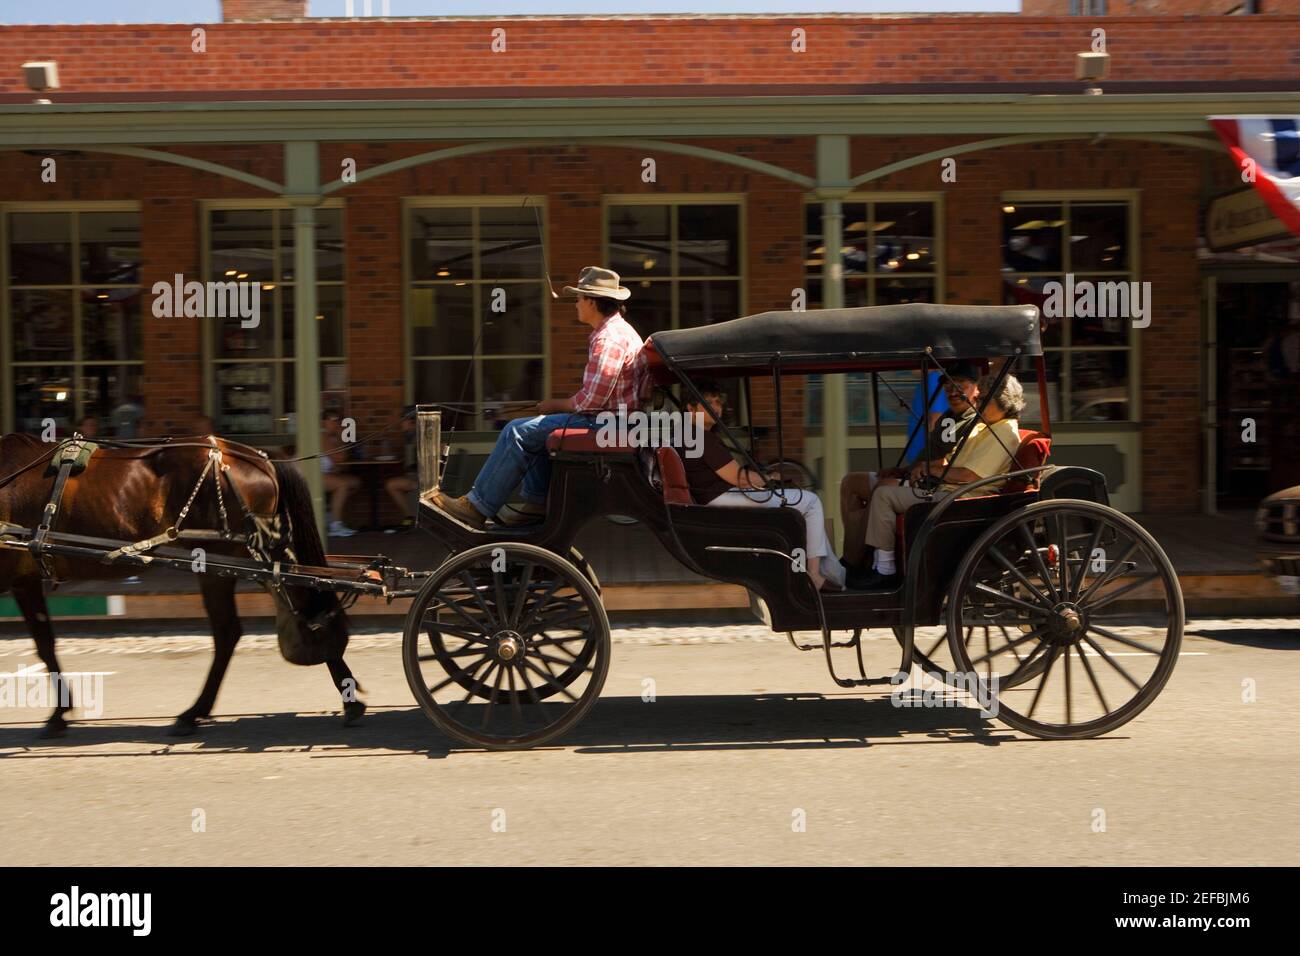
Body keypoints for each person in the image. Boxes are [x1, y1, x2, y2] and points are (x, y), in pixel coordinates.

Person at [432, 266, 643, 528]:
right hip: (616, 423)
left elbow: (592, 402)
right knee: (539, 431)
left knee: (516, 431)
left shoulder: (609, 339)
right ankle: (535, 505)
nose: (575, 304)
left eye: (578, 298)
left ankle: (477, 507)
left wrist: (554, 405)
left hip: (608, 426)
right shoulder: (618, 332)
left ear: (591, 301)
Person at [854, 373, 1026, 590]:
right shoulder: (986, 427)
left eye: (983, 399)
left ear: (1002, 401)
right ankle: (872, 564)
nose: (977, 402)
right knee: (883, 488)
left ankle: (884, 570)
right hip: (949, 492)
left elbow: (969, 476)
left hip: (962, 501)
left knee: (883, 494)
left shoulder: (1004, 432)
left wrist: (930, 470)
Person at [681, 381, 846, 592]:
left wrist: (765, 479)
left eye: (718, 403)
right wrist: (768, 478)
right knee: (811, 501)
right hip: (719, 496)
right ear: (690, 408)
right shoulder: (700, 436)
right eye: (708, 403)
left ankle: (831, 572)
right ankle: (814, 575)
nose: (716, 407)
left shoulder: (694, 434)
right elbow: (738, 478)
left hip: (716, 494)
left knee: (800, 502)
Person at [840, 363, 980, 570]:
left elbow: (944, 463)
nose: (953, 392)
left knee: (883, 488)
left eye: (960, 385)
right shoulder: (949, 419)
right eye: (948, 386)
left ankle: (859, 561)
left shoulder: (976, 421)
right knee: (851, 482)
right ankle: (853, 554)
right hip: (922, 476)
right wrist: (904, 470)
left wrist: (924, 470)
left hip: (940, 486)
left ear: (976, 388)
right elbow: (934, 453)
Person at [321, 411, 361, 538]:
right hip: (312, 475)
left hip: (327, 474)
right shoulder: (322, 436)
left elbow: (340, 462)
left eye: (337, 421)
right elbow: (340, 458)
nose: (335, 423)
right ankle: (335, 525)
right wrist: (340, 437)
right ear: (323, 422)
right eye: (331, 420)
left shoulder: (333, 437)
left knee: (355, 482)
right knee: (342, 485)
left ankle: (331, 515)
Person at [384, 409, 418, 531]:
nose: (401, 423)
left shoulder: (418, 436)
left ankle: (410, 518)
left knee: (391, 485)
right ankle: (410, 517)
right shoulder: (411, 436)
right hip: (415, 475)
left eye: (403, 421)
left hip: (423, 480)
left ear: (411, 421)